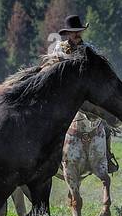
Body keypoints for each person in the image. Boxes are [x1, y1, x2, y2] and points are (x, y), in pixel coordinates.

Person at [48, 14, 118, 172]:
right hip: (65, 97)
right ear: (68, 33)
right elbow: (52, 70)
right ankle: (52, 158)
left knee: (103, 123)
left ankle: (107, 156)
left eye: (79, 30)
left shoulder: (89, 48)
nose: (77, 33)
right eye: (74, 31)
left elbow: (100, 68)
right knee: (53, 125)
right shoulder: (58, 49)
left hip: (87, 95)